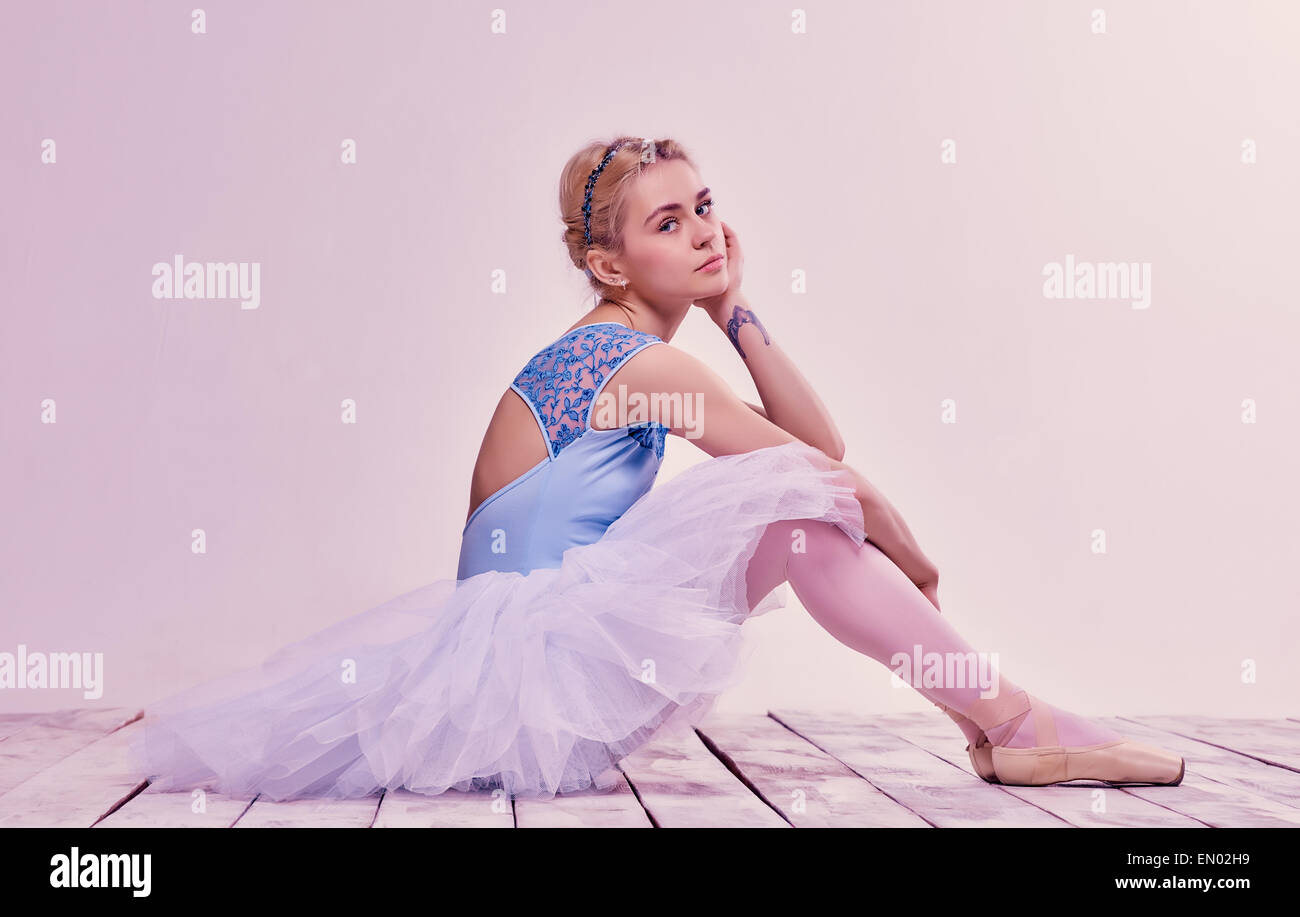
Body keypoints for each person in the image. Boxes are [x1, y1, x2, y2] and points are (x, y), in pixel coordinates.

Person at [127, 136, 1183, 801]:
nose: (704, 229)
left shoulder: (638, 348)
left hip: (548, 664)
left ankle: (999, 728)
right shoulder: (626, 363)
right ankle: (1015, 724)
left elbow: (821, 446)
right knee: (801, 511)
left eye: (705, 205)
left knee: (797, 500)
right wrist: (909, 546)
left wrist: (733, 311)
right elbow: (820, 473)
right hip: (540, 673)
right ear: (607, 263)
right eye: (667, 222)